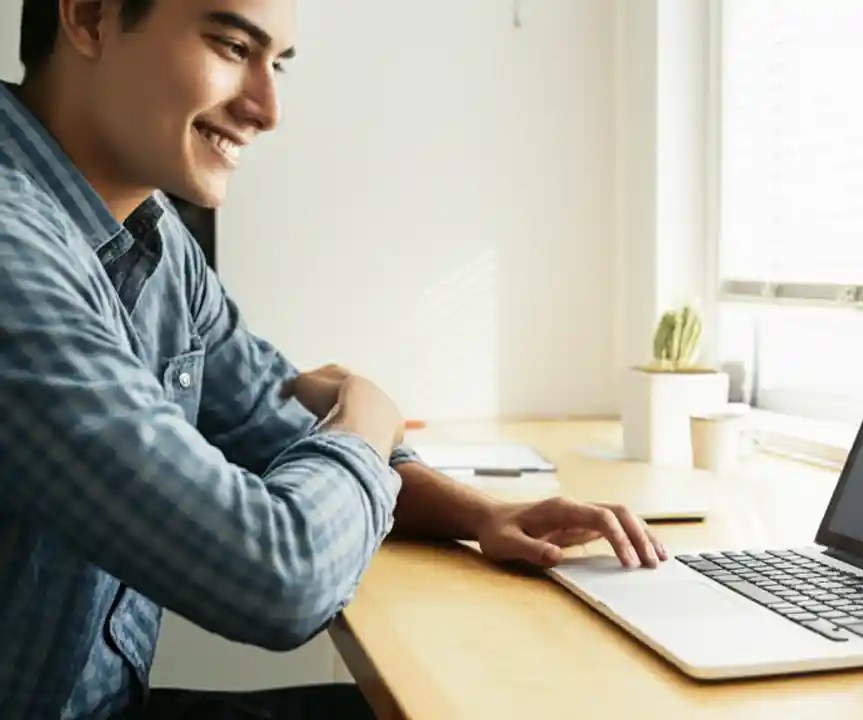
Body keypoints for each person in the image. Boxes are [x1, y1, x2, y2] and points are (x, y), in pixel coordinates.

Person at [0, 1, 666, 717]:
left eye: (277, 65)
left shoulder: (154, 237)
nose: (268, 108)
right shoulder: (14, 251)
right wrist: (368, 419)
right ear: (92, 17)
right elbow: (278, 577)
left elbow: (272, 420)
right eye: (231, 47)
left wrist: (482, 515)